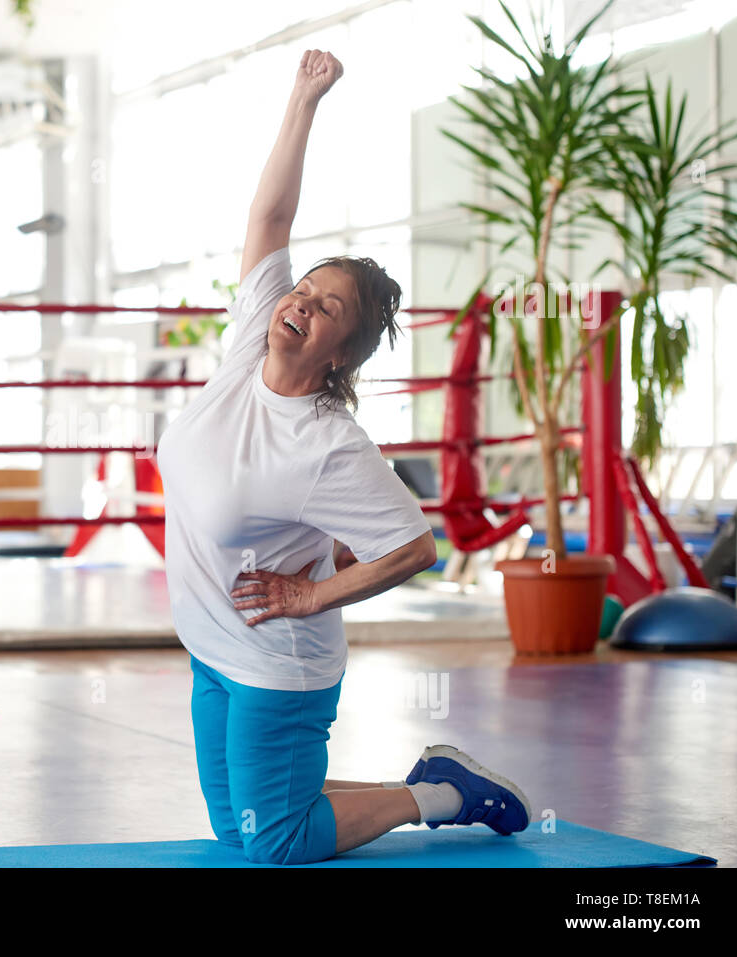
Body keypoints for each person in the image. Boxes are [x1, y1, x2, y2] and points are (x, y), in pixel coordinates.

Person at [155, 50, 531, 864]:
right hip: (212, 641)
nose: (302, 302)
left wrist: (311, 592)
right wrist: (303, 99)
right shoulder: (249, 341)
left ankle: (443, 794)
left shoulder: (327, 441)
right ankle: (423, 777)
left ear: (339, 355)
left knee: (275, 844)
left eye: (328, 308)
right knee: (240, 827)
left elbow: (417, 547)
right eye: (305, 289)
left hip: (274, 661)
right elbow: (270, 221)